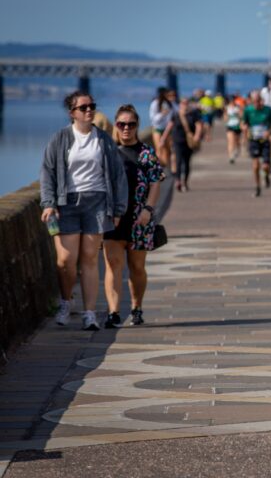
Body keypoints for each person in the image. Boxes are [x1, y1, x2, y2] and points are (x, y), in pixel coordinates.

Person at [40, 91, 128, 330]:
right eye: (83, 108)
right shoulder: (60, 138)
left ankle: (90, 313)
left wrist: (118, 210)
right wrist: (48, 203)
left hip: (97, 202)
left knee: (90, 260)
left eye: (92, 106)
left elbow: (118, 176)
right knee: (66, 261)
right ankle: (66, 302)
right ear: (72, 113)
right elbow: (48, 172)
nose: (89, 111)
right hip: (66, 203)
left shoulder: (104, 140)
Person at [103, 105, 165, 328]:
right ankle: (113, 312)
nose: (126, 128)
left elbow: (156, 182)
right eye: (122, 124)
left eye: (131, 124)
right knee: (113, 265)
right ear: (116, 126)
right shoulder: (107, 152)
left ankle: (137, 307)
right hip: (112, 218)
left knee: (137, 267)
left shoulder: (146, 152)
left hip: (140, 219)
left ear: (137, 126)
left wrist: (148, 210)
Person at [242, 90, 271, 197]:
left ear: (262, 101)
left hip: (265, 141)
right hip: (254, 140)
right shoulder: (248, 110)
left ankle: (266, 176)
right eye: (254, 102)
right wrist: (244, 128)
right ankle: (257, 187)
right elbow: (243, 123)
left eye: (258, 101)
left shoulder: (268, 110)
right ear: (251, 102)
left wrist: (268, 132)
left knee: (265, 166)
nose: (256, 104)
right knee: (255, 166)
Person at [170, 97, 203, 192]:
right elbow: (170, 126)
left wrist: (197, 136)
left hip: (189, 142)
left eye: (186, 103)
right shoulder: (176, 115)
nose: (184, 105)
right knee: (178, 161)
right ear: (180, 104)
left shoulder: (193, 114)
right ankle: (178, 181)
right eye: (183, 103)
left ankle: (185, 182)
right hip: (177, 141)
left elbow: (198, 125)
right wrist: (164, 138)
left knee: (187, 162)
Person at [148, 87, 174, 167]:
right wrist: (162, 114)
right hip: (157, 128)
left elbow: (172, 116)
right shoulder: (155, 103)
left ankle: (166, 167)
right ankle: (158, 168)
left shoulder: (168, 103)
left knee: (167, 150)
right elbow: (153, 119)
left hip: (167, 129)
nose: (169, 96)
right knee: (159, 148)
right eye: (167, 94)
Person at [225, 95, 243, 164]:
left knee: (237, 141)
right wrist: (227, 116)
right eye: (230, 100)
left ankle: (237, 149)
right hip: (230, 126)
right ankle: (231, 156)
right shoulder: (227, 107)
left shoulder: (238, 107)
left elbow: (242, 116)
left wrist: (238, 114)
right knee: (230, 141)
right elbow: (225, 118)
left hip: (237, 126)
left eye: (233, 100)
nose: (232, 101)